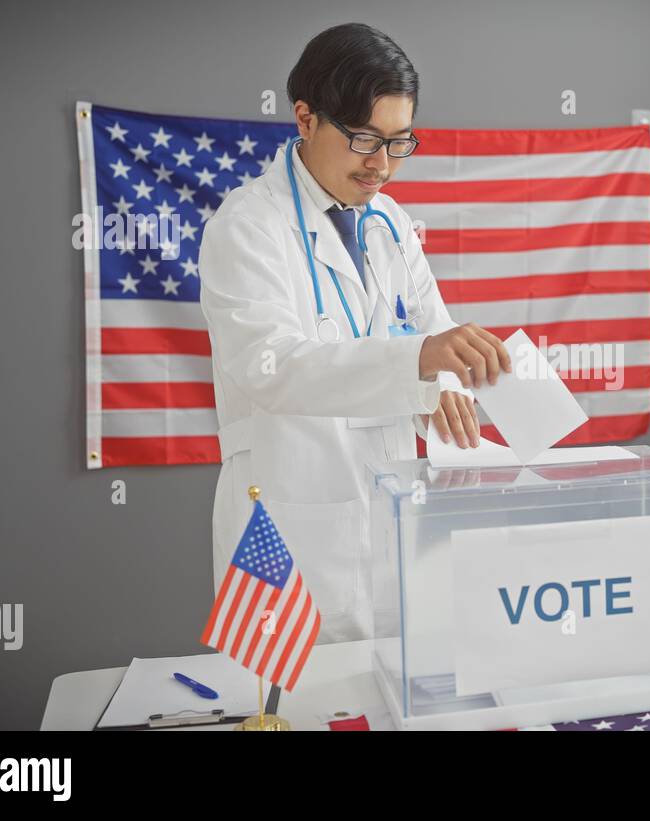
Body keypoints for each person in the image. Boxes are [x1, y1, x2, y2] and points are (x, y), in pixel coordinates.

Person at [198, 22, 511, 642]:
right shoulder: (248, 226)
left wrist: (444, 382)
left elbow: (431, 329)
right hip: (288, 537)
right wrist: (419, 359)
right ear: (306, 118)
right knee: (290, 706)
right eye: (365, 139)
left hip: (391, 524)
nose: (382, 167)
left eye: (399, 143)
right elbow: (272, 366)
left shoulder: (388, 222)